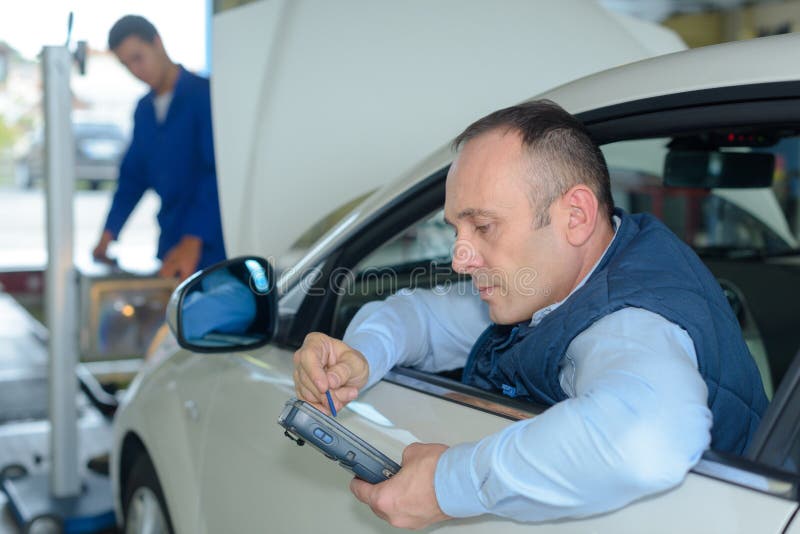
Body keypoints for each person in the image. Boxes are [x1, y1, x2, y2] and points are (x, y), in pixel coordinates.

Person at [292, 100, 768, 529]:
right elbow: (422, 318)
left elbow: (646, 443)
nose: (460, 258)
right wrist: (359, 355)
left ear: (575, 217)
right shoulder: (561, 278)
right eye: (458, 228)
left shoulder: (631, 323)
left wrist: (446, 486)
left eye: (482, 226)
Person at [93, 15, 225, 281]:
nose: (135, 70)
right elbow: (132, 177)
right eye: (125, 64)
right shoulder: (144, 110)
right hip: (170, 245)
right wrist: (108, 234)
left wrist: (193, 240)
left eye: (138, 57)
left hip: (213, 247)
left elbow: (218, 174)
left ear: (157, 43)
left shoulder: (206, 96)